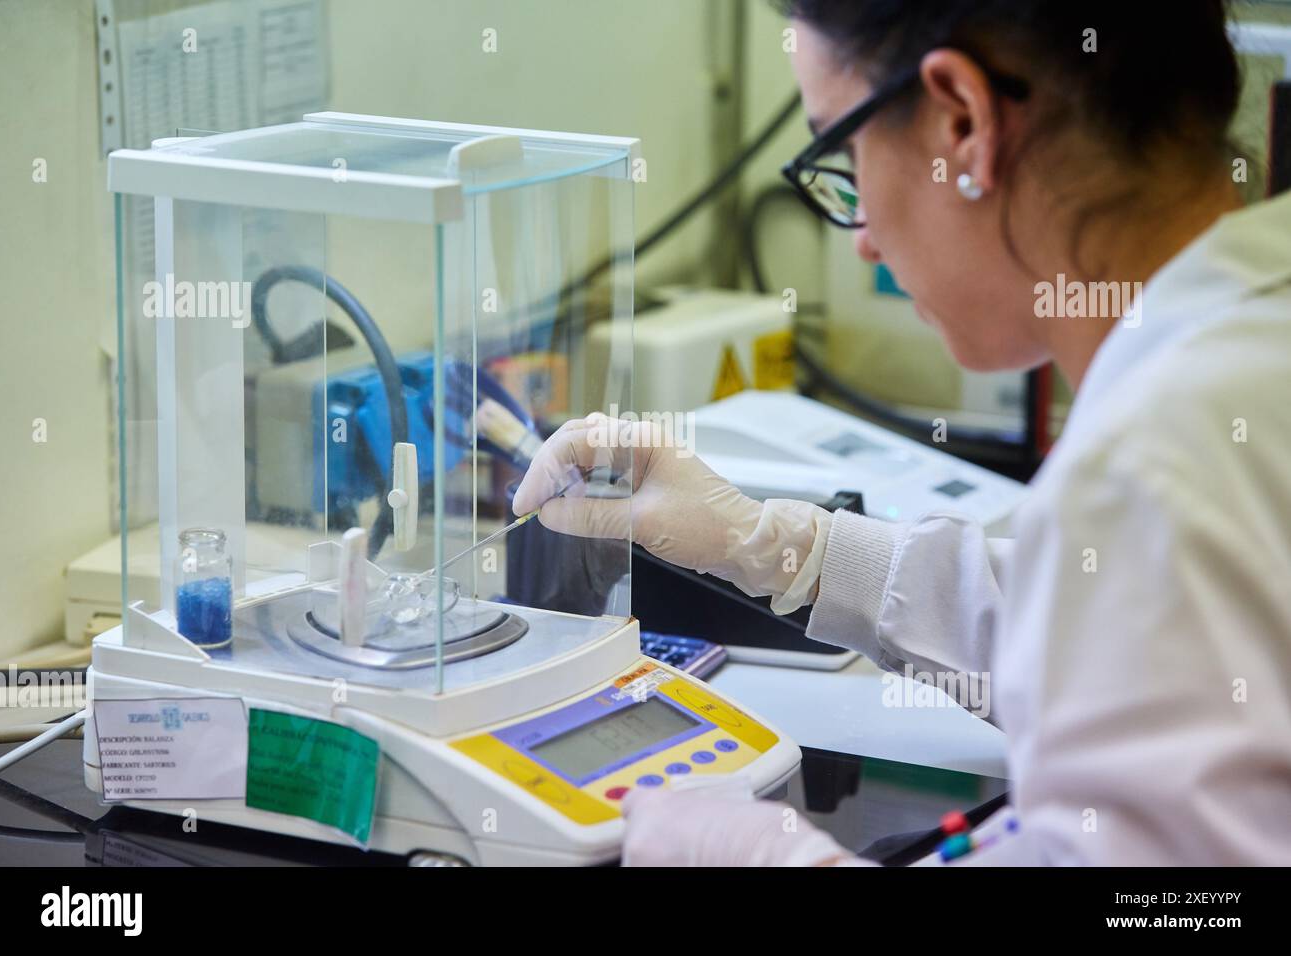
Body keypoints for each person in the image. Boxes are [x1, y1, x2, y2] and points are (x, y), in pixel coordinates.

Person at [513, 0, 1291, 865]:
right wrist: (773, 545)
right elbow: (1129, 649)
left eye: (840, 150)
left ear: (963, 120)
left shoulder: (1161, 454)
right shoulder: (1240, 357)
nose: (861, 243)